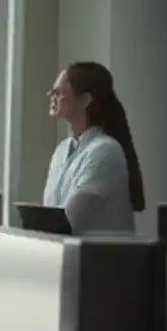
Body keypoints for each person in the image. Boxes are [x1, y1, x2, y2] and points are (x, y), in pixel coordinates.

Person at [42, 61, 146, 235]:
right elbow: (49, 216)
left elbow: (67, 220)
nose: (51, 95)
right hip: (67, 252)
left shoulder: (105, 151)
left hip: (103, 258)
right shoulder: (61, 150)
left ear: (85, 100)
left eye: (58, 92)